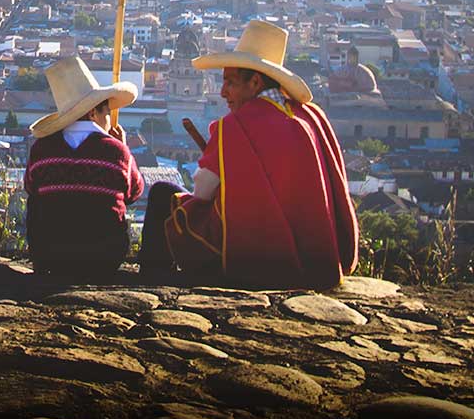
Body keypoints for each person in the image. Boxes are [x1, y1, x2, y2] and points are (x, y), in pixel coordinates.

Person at [139, 20, 358, 288]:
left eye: (230, 83)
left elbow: (202, 193)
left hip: (249, 257)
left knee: (162, 193)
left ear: (254, 82)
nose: (222, 93)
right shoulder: (312, 117)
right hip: (316, 260)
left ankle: (154, 278)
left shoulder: (235, 126)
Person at [25, 56, 144, 280]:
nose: (109, 119)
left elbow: (30, 188)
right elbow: (133, 193)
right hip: (104, 256)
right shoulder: (117, 152)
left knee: (38, 198)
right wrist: (122, 147)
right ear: (93, 113)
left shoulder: (41, 150)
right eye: (107, 112)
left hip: (51, 255)